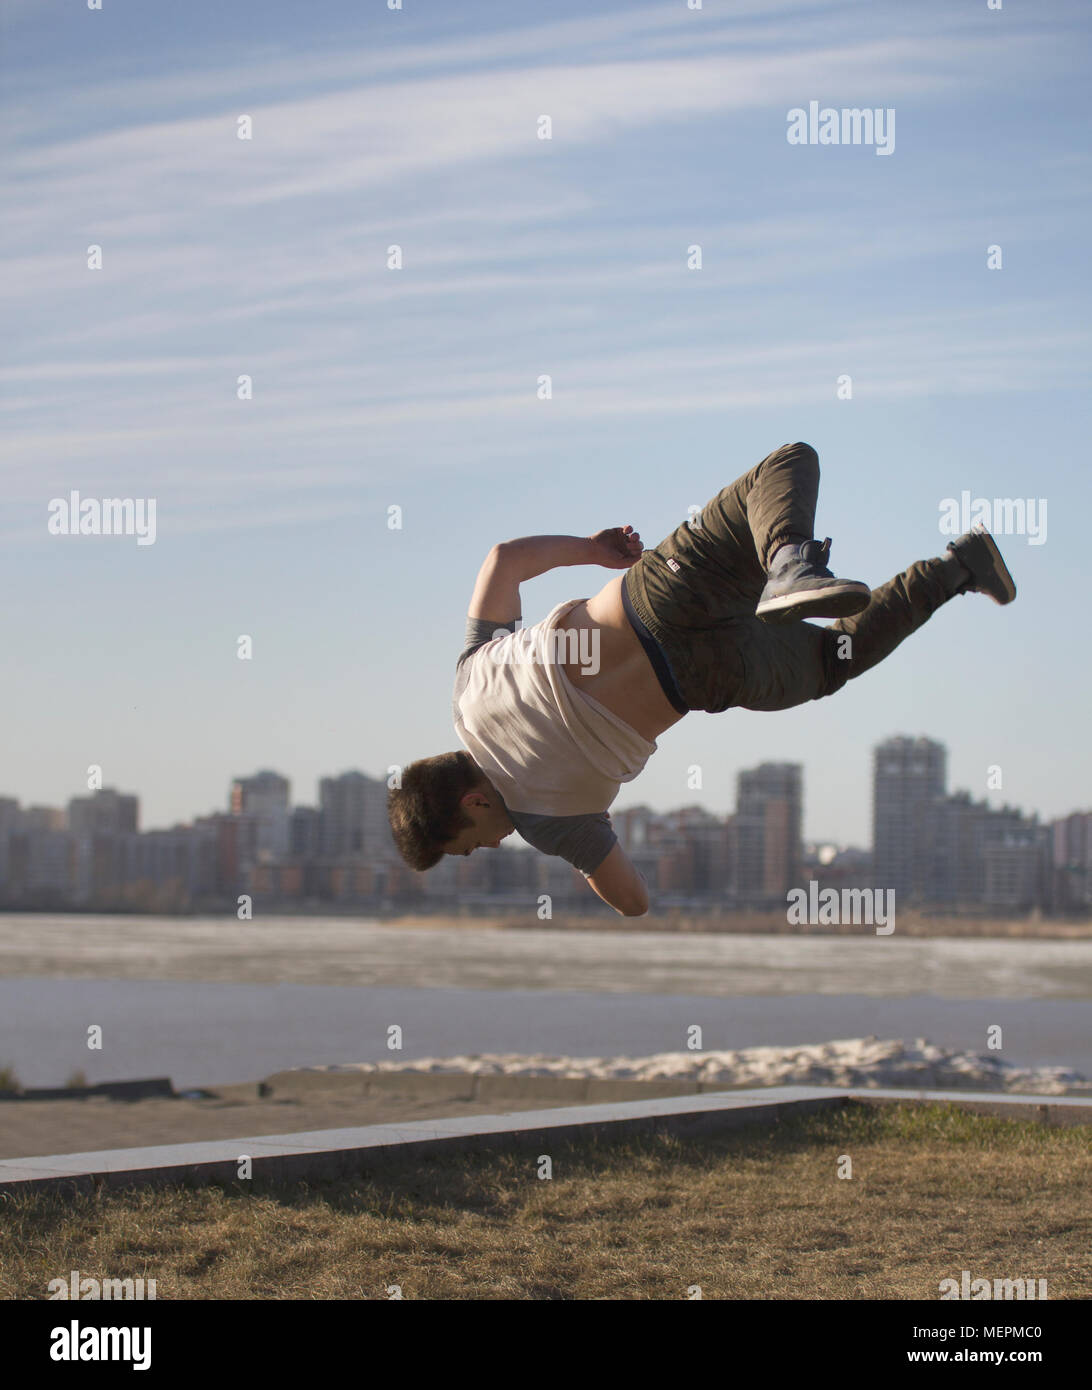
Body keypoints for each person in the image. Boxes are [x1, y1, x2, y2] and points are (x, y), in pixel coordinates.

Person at [388, 441, 1016, 916]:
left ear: (472, 803)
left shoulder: (546, 823)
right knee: (786, 464)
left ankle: (960, 567)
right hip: (656, 597)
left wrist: (584, 848)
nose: (489, 849)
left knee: (834, 661)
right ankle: (790, 562)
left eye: (468, 845)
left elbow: (633, 900)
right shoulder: (469, 688)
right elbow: (504, 561)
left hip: (702, 677)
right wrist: (593, 548)